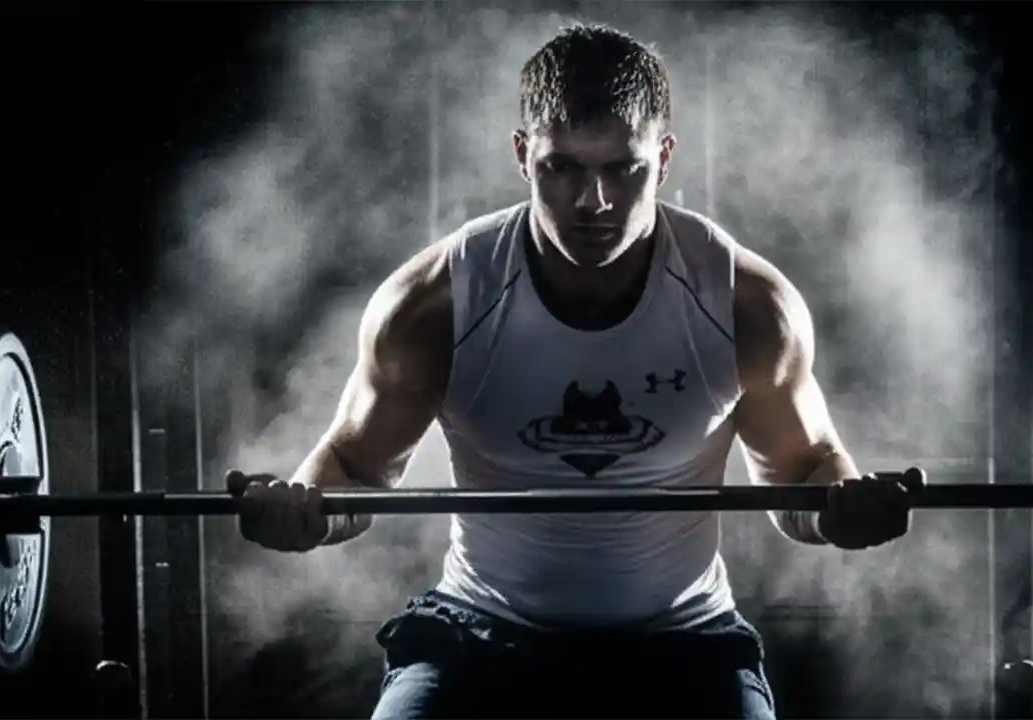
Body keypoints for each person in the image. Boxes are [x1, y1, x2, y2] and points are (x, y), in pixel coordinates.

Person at [231, 22, 912, 720]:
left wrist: (842, 510)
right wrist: (306, 514)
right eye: (564, 168)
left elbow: (801, 478)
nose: (595, 202)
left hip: (683, 640)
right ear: (523, 154)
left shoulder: (745, 304)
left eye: (624, 169)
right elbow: (354, 468)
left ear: (665, 157)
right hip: (478, 634)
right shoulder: (434, 303)